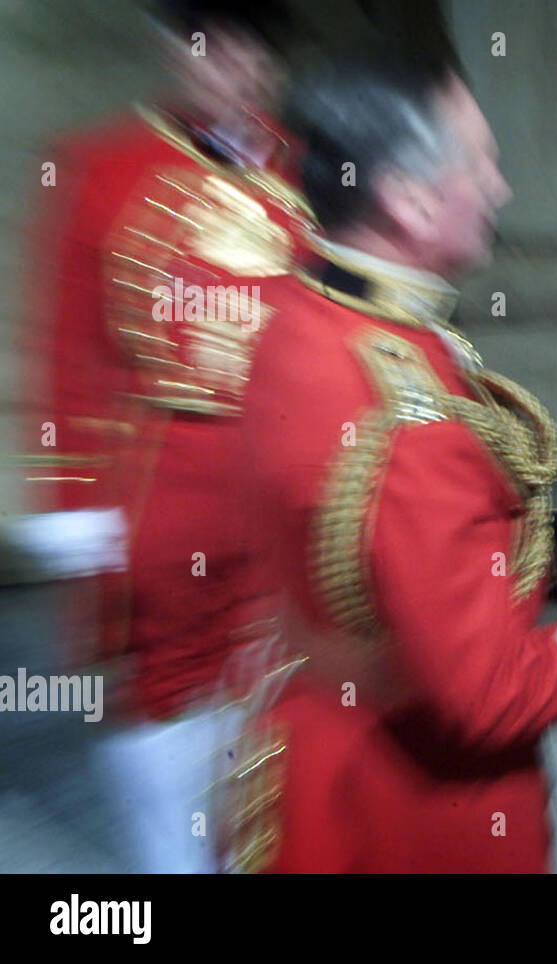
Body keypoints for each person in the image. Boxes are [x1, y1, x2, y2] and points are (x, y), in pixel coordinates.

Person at [235, 54, 557, 873]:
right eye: (481, 163)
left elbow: (390, 561)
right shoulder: (411, 418)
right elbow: (490, 690)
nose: (501, 189)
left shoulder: (299, 309)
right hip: (420, 807)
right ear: (408, 198)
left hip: (314, 757)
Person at [19, 0, 311, 872]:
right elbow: (68, 346)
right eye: (216, 49)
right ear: (172, 50)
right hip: (160, 490)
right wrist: (77, 506)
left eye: (255, 52)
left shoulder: (305, 175)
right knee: (161, 700)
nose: (239, 71)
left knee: (279, 691)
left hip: (277, 486)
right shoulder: (105, 168)